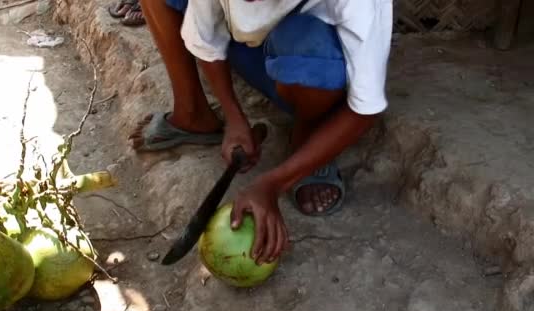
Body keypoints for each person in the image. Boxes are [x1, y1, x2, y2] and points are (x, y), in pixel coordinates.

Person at [128, 0, 393, 264]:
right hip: (250, 49)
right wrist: (234, 117)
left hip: (311, 63)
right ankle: (193, 113)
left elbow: (364, 109)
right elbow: (205, 34)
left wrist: (272, 183)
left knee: (305, 42)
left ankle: (308, 133)